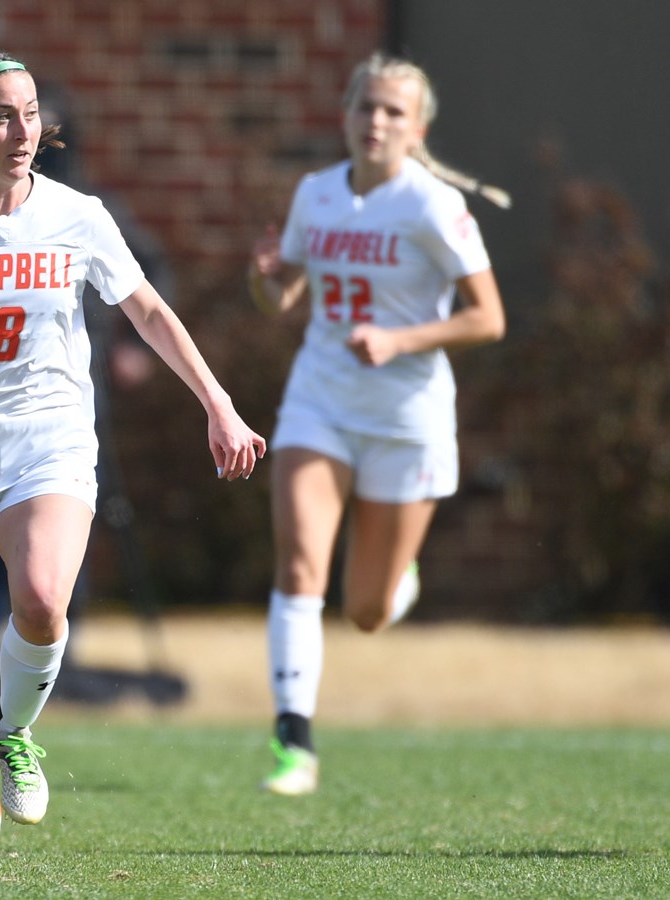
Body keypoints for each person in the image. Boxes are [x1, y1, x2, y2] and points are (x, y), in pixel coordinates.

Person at [0, 48, 265, 843]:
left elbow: (151, 314)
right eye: (0, 115)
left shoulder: (78, 214)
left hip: (50, 441)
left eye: (30, 113)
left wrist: (220, 405)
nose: (21, 129)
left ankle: (14, 732)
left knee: (39, 597)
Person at [246, 52, 507, 796]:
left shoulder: (430, 206)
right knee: (299, 568)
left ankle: (396, 581)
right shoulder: (316, 194)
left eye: (395, 112)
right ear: (347, 117)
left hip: (406, 416)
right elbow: (282, 297)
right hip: (319, 402)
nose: (378, 122)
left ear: (416, 128)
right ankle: (293, 741)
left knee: (364, 611)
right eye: (367, 108)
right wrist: (261, 275)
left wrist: (399, 340)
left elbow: (489, 317)